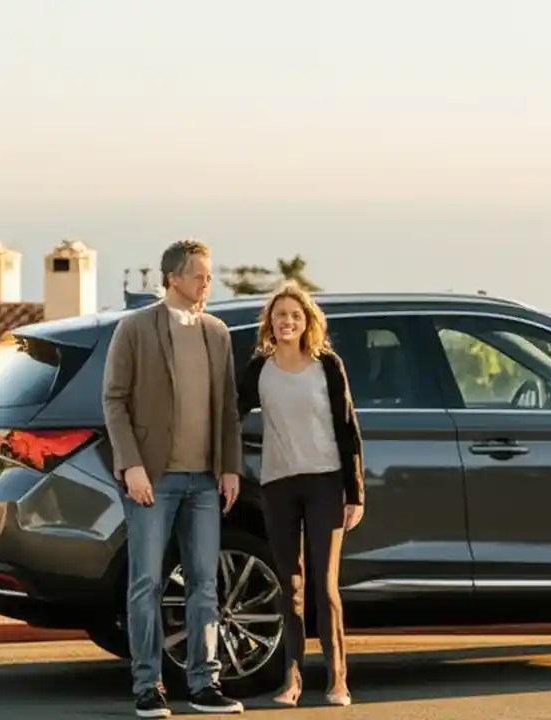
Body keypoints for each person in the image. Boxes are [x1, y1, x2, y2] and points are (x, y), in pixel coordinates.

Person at [102, 239, 245, 718]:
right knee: (146, 583)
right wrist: (132, 464)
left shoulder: (217, 332)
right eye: (201, 275)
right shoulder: (135, 328)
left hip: (205, 480)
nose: (208, 283)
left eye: (209, 275)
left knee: (206, 583)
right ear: (173, 278)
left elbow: (227, 407)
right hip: (152, 480)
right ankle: (148, 687)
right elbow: (114, 400)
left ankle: (205, 684)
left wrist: (229, 467)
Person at [237, 281, 365, 708]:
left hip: (325, 481)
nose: (287, 322)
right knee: (290, 584)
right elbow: (229, 414)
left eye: (295, 315)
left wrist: (355, 493)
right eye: (279, 316)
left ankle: (338, 679)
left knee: (324, 585)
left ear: (307, 321)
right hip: (278, 484)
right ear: (269, 323)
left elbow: (348, 429)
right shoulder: (260, 368)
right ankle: (291, 680)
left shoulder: (326, 364)